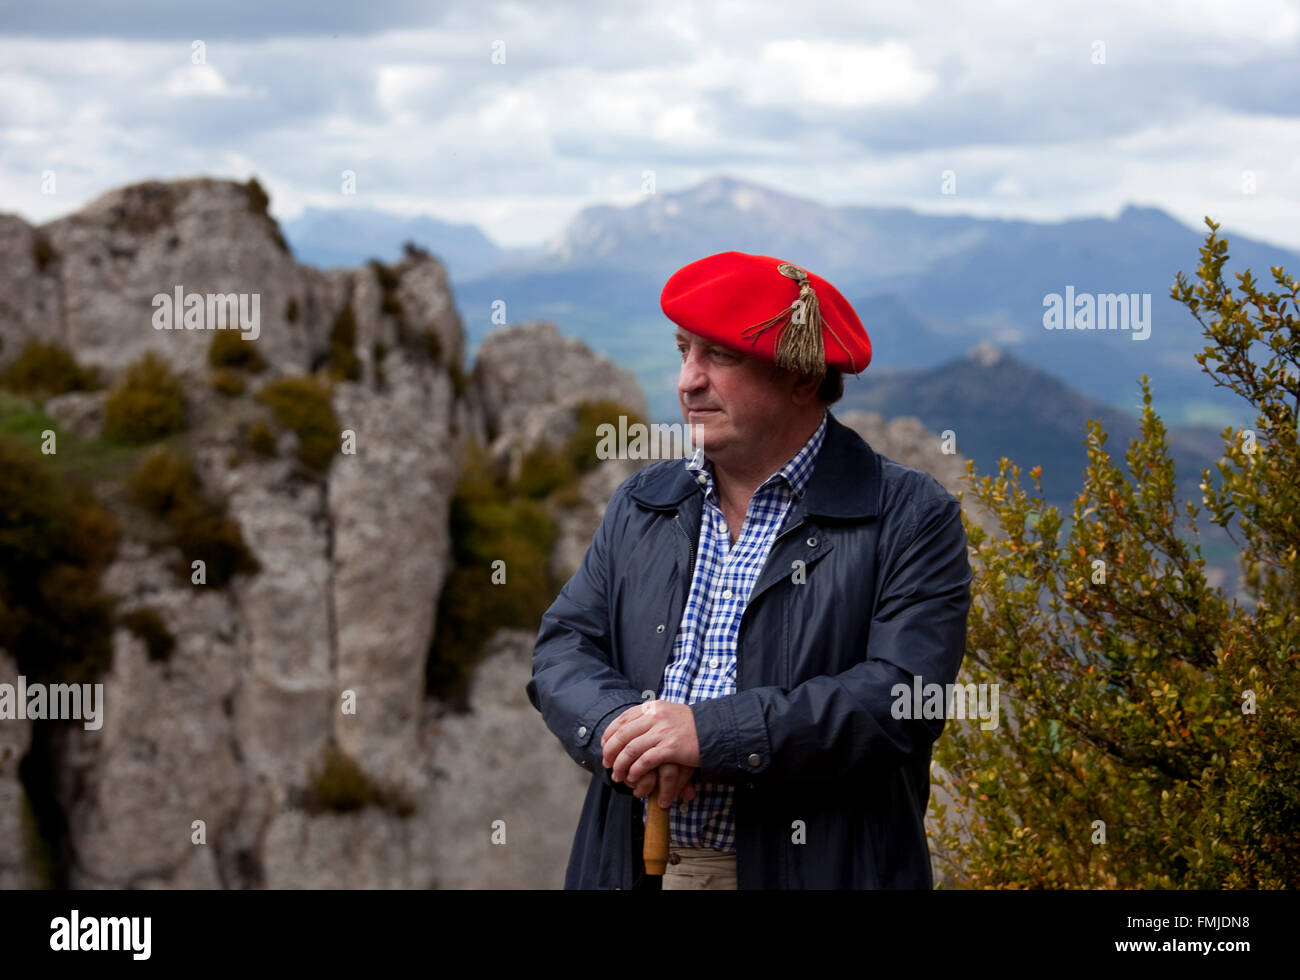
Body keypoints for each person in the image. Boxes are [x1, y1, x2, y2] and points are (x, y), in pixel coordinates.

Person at [526, 251, 973, 889]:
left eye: (720, 357)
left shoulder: (908, 516)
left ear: (800, 376)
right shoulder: (644, 500)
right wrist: (621, 730)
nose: (687, 380)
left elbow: (902, 700)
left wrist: (707, 736)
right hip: (628, 869)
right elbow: (564, 645)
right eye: (683, 351)